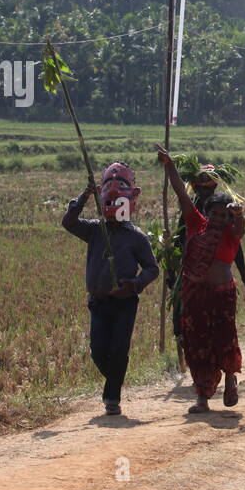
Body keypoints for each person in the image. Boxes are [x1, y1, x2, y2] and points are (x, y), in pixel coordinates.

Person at [62, 163, 160, 416]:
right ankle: (116, 379)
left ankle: (112, 397)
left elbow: (152, 268)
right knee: (98, 351)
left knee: (118, 349)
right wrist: (85, 195)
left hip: (125, 303)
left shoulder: (136, 237)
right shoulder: (95, 230)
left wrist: (135, 284)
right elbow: (69, 221)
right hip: (99, 301)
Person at [156, 147, 245, 413]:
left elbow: (240, 228)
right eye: (215, 214)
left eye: (224, 216)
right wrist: (169, 165)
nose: (219, 219)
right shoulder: (195, 224)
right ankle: (202, 397)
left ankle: (229, 378)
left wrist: (238, 215)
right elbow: (181, 193)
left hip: (221, 294)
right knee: (196, 342)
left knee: (224, 339)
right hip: (194, 293)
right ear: (207, 213)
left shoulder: (231, 232)